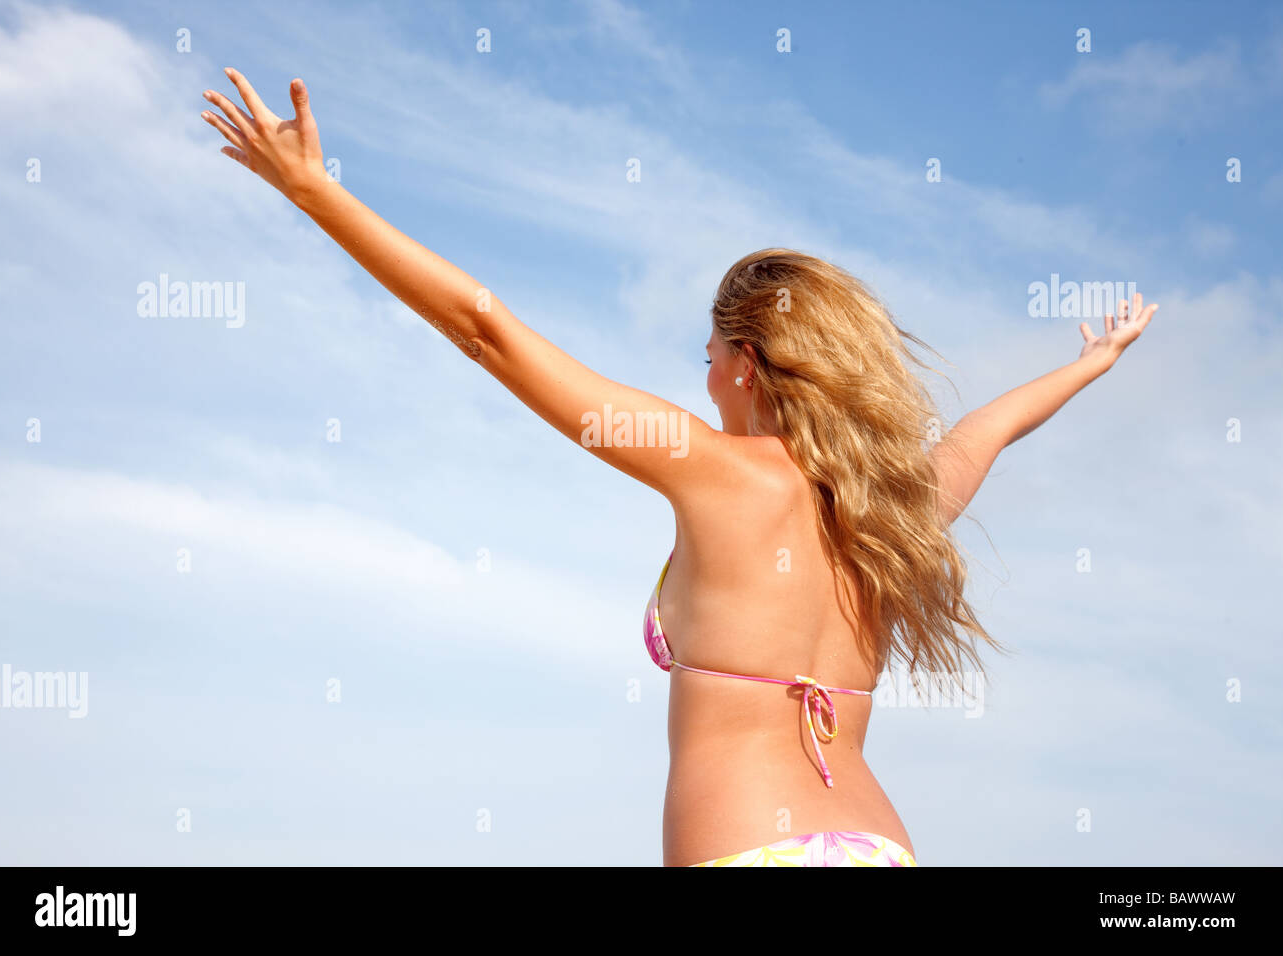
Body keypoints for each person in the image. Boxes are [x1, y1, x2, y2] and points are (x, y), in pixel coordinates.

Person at [200, 69, 1159, 867]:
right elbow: (985, 433)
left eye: (707, 352)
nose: (701, 377)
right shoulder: (891, 510)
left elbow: (485, 330)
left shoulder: (707, 468)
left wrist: (314, 191)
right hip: (882, 848)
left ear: (747, 362)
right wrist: (1087, 366)